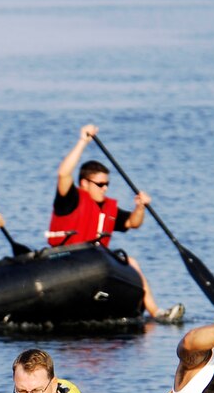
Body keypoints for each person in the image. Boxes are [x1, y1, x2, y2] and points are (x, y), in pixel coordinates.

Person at [49, 123, 184, 324]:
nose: (105, 188)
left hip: (96, 263)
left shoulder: (108, 208)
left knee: (132, 262)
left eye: (107, 184)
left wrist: (140, 207)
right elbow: (63, 174)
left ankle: (156, 312)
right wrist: (82, 142)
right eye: (100, 184)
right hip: (66, 259)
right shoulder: (70, 199)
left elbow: (132, 223)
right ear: (84, 183)